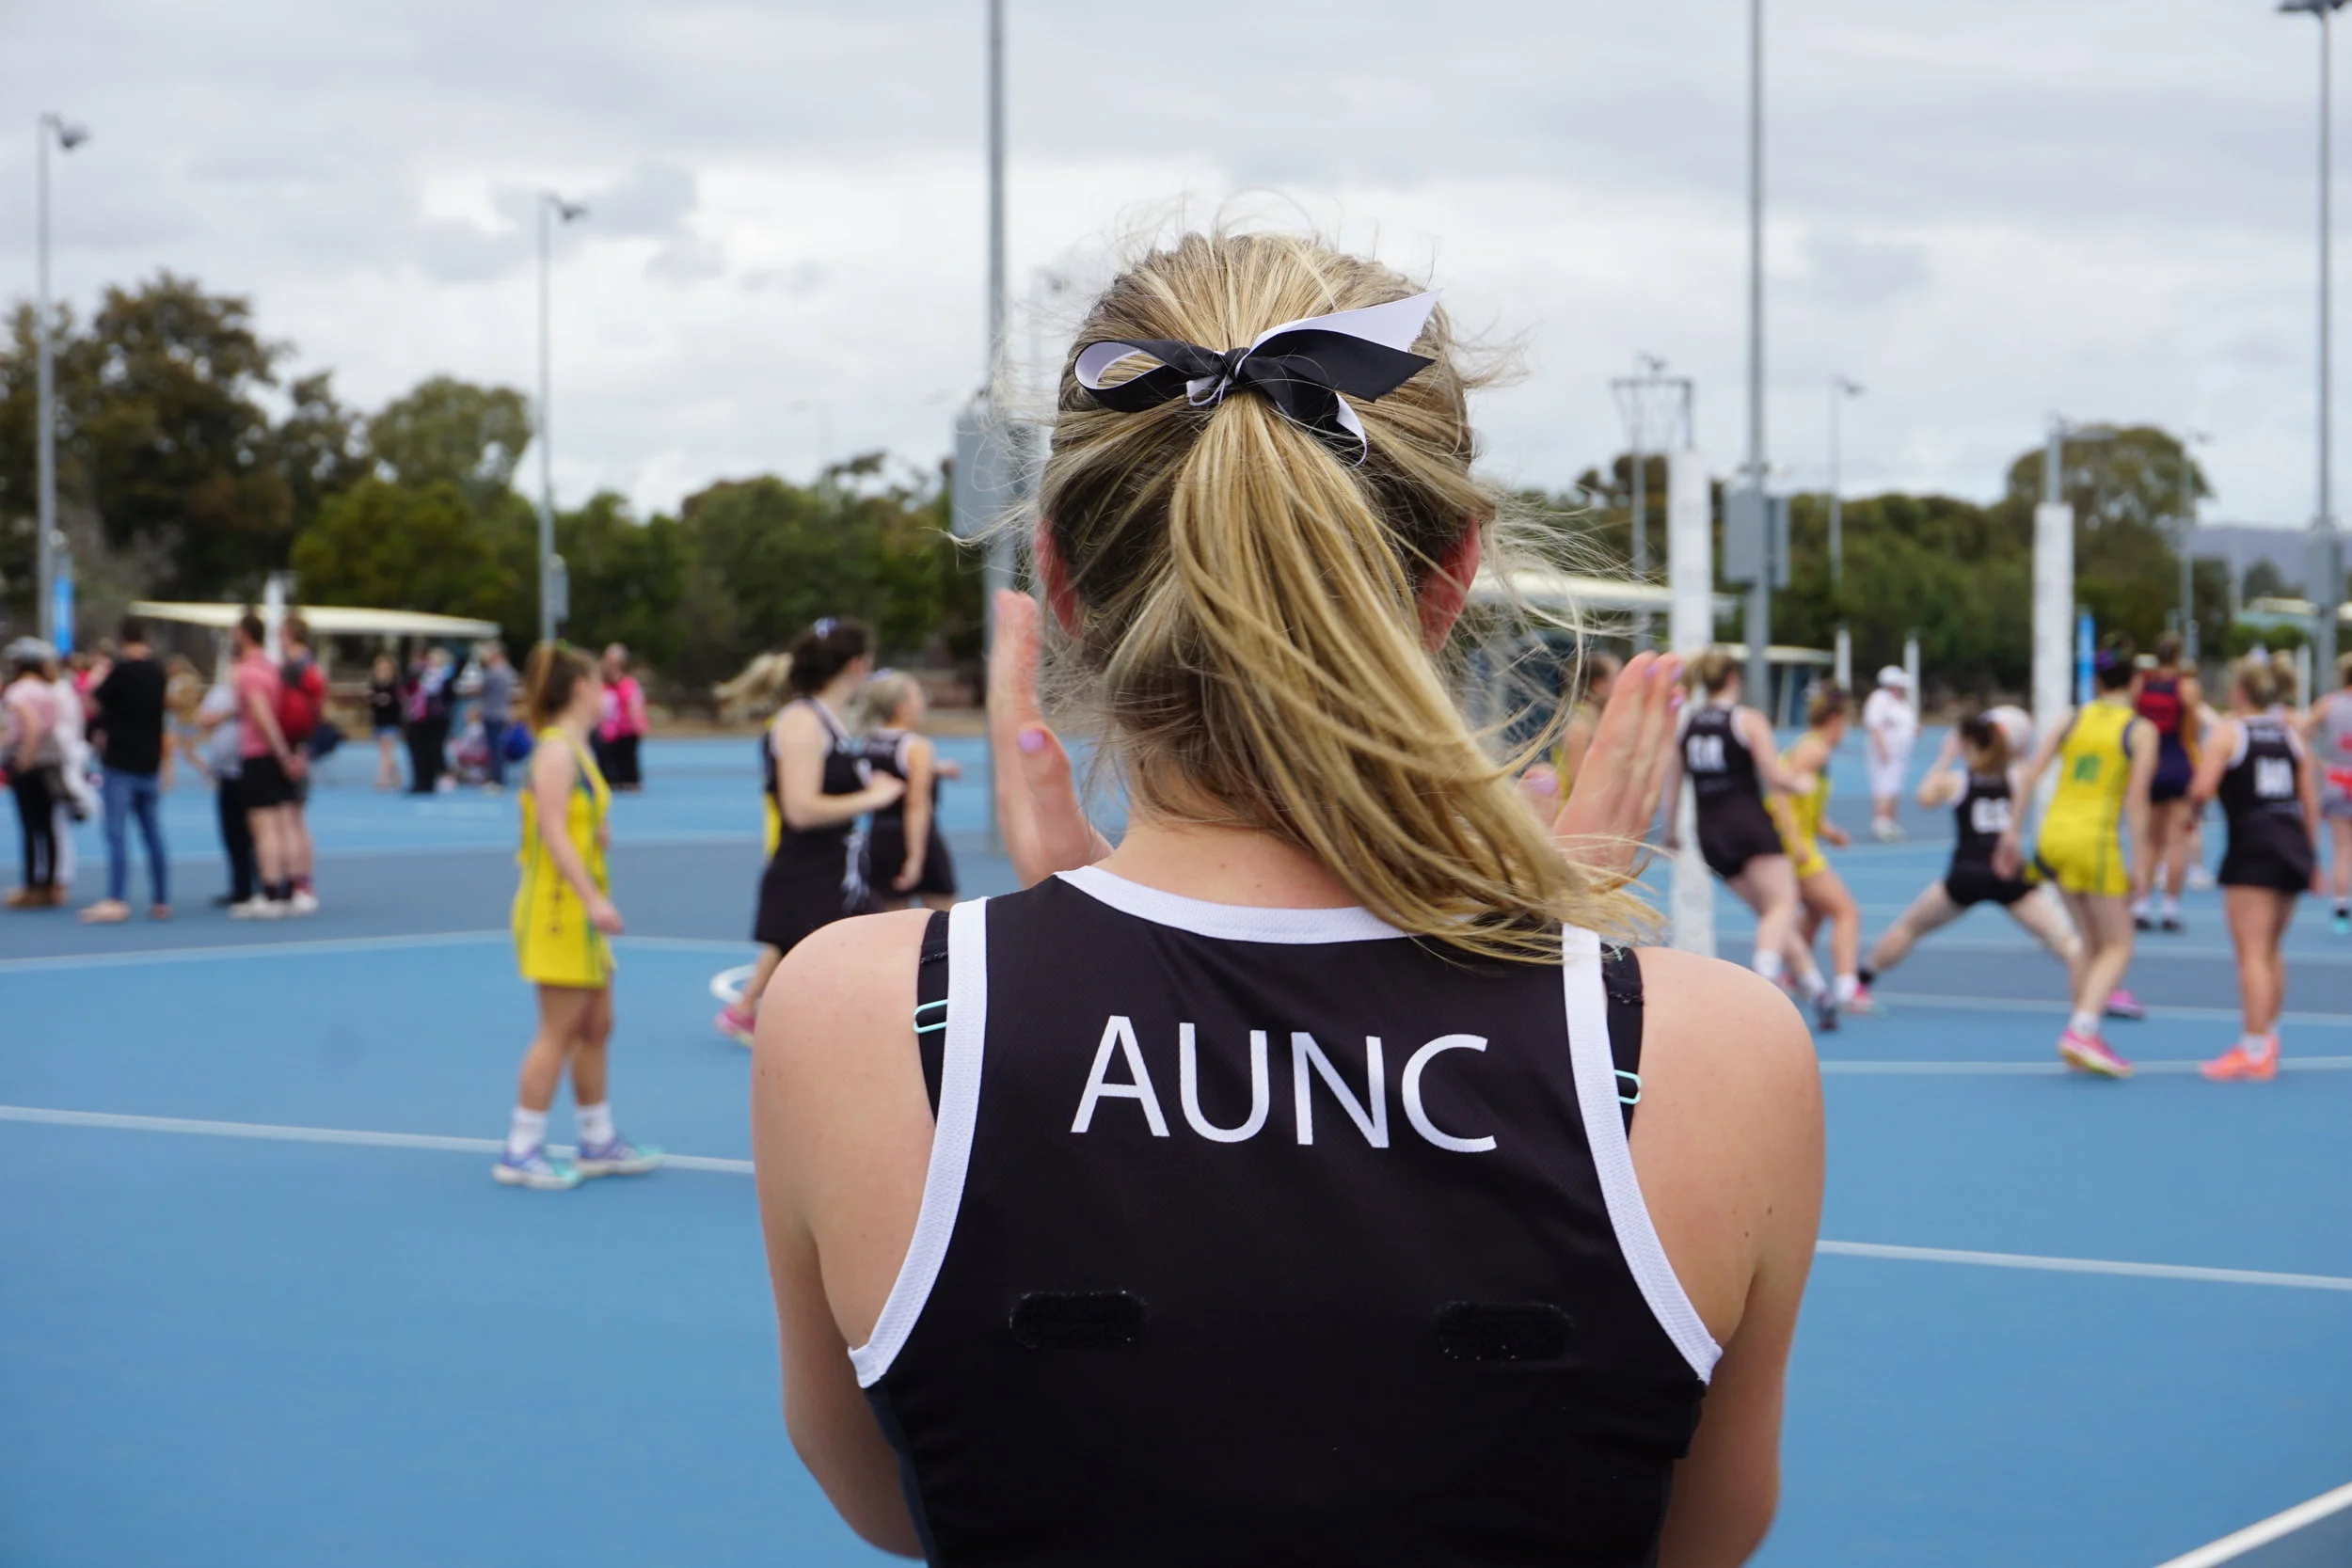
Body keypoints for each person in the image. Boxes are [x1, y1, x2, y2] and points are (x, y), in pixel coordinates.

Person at [752, 234, 1821, 1565]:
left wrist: (1064, 982)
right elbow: (1700, 1534)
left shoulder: (863, 1019)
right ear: (1451, 583)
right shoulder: (1713, 1054)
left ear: (1064, 583)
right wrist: (1567, 975)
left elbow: (894, 1499)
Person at [497, 642, 663, 1190]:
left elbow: (571, 821)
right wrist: (592, 896)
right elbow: (550, 829)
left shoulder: (576, 749)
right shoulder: (555, 752)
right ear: (578, 690)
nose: (604, 694)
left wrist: (597, 833)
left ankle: (597, 1138)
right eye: (595, 683)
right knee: (559, 1030)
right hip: (558, 910)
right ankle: (521, 1147)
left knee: (596, 1025)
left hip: (577, 911)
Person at [713, 619, 903, 1046]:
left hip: (837, 869)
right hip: (809, 873)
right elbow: (800, 809)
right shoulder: (802, 721)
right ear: (856, 664)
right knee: (839, 973)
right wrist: (872, 797)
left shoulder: (830, 719)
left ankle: (761, 1017)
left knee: (852, 966)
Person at [1996, 636, 2157, 1078]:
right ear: (2137, 681)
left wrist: (2012, 830)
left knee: (2089, 942)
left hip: (2054, 837)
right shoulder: (2139, 730)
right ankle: (2083, 1029)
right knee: (2119, 944)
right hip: (2093, 840)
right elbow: (2137, 802)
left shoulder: (2072, 718)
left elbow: (2029, 772)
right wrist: (2142, 862)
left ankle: (2082, 1031)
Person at [1659, 649, 1836, 1032]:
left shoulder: (1687, 724)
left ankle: (1818, 990)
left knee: (1774, 916)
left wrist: (1671, 829)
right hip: (1748, 826)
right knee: (1783, 903)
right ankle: (1763, 982)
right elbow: (1774, 774)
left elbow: (1674, 786)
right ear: (1734, 679)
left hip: (1710, 835)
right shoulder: (1747, 719)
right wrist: (1801, 783)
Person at [1857, 712, 2082, 990]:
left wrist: (1946, 756)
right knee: (2063, 940)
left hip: (1966, 875)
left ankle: (1860, 982)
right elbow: (2030, 762)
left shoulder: (1958, 780)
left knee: (1909, 927)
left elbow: (1924, 797)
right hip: (2009, 875)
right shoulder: (2019, 775)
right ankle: (2102, 995)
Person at [2189, 657, 2319, 1082]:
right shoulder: (2291, 735)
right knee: (2271, 949)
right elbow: (2308, 800)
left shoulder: (2229, 733)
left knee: (2250, 952)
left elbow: (2203, 788)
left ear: (2240, 692)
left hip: (2254, 846)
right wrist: (2312, 856)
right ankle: (2270, 1036)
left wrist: (2190, 814)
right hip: (2292, 843)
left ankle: (2253, 1047)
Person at [1775, 686, 1875, 1016]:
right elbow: (1781, 795)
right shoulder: (1813, 751)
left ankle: (1794, 975)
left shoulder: (1811, 749)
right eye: (1846, 722)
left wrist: (1829, 831)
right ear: (1834, 720)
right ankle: (1847, 986)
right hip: (1794, 850)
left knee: (1816, 911)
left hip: (1795, 845)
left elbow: (1806, 803)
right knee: (1846, 911)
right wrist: (1798, 842)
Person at [81, 615, 171, 923]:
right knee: (152, 832)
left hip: (120, 762)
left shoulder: (121, 672)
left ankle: (117, 897)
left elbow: (95, 702)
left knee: (117, 833)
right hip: (148, 761)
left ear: (121, 639)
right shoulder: (158, 671)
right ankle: (161, 898)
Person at [854, 669, 961, 913]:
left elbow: (893, 774)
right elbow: (915, 804)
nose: (922, 702)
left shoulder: (868, 742)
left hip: (880, 839)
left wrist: (934, 770)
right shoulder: (918, 747)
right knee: (946, 918)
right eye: (917, 695)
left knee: (890, 921)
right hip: (917, 837)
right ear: (902, 705)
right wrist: (915, 858)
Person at [227, 612, 306, 919]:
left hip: (259, 754)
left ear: (245, 634)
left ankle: (270, 890)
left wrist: (282, 753)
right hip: (273, 753)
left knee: (265, 827)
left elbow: (262, 716)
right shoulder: (273, 669)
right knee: (283, 822)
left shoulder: (249, 672)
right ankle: (288, 888)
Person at [2129, 633, 2203, 933]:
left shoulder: (2141, 686)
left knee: (2150, 840)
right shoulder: (2186, 688)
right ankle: (2171, 909)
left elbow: (2133, 723)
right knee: (2177, 841)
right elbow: (2192, 732)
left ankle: (2141, 905)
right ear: (2178, 656)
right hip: (2177, 761)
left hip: (2150, 763)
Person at [4, 639, 64, 909]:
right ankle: (49, 883)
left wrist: (24, 759)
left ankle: (31, 886)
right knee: (48, 826)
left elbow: (31, 727)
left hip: (31, 762)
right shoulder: (48, 690)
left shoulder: (17, 692)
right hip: (51, 762)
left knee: (29, 827)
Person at [278, 615, 326, 915]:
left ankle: (297, 882)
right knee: (297, 817)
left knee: (291, 818)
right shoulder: (313, 668)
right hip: (303, 743)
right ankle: (300, 882)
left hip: (292, 744)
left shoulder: (292, 669)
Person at [2307, 653, 2352, 935]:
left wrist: (2318, 763)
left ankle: (2340, 906)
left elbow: (2300, 732)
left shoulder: (2328, 705)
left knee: (2342, 849)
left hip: (2337, 778)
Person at [1862, 665, 1917, 841]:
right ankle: (1880, 822)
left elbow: (1903, 724)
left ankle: (1890, 821)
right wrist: (1882, 749)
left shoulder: (1900, 703)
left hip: (1900, 753)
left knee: (1894, 786)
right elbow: (1875, 725)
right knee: (1884, 786)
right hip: (1885, 752)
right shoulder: (1879, 699)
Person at [1553, 650, 1621, 791]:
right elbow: (1577, 782)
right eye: (1617, 676)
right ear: (1598, 685)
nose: (1622, 683)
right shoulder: (1579, 726)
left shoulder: (1594, 721)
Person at [596, 643, 647, 792]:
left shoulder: (628, 684)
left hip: (626, 730)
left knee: (627, 760)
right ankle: (608, 780)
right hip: (605, 731)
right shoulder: (600, 685)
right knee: (605, 760)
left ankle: (629, 779)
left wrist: (638, 724)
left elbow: (634, 705)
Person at [405, 647, 455, 795]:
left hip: (436, 720)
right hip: (418, 718)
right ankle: (419, 781)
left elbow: (449, 698)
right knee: (417, 751)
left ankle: (431, 781)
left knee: (433, 750)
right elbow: (407, 689)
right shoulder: (419, 675)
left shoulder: (446, 677)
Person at [476, 641, 516, 792]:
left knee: (495, 748)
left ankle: (496, 779)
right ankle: (498, 778)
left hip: (492, 712)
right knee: (498, 747)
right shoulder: (508, 671)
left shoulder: (493, 672)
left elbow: (481, 689)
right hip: (503, 712)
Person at [368, 653, 405, 790]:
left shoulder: (395, 685)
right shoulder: (374, 684)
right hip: (379, 721)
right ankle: (395, 775)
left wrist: (387, 701)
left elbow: (398, 704)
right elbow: (371, 702)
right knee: (384, 750)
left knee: (386, 750)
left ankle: (382, 777)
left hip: (392, 722)